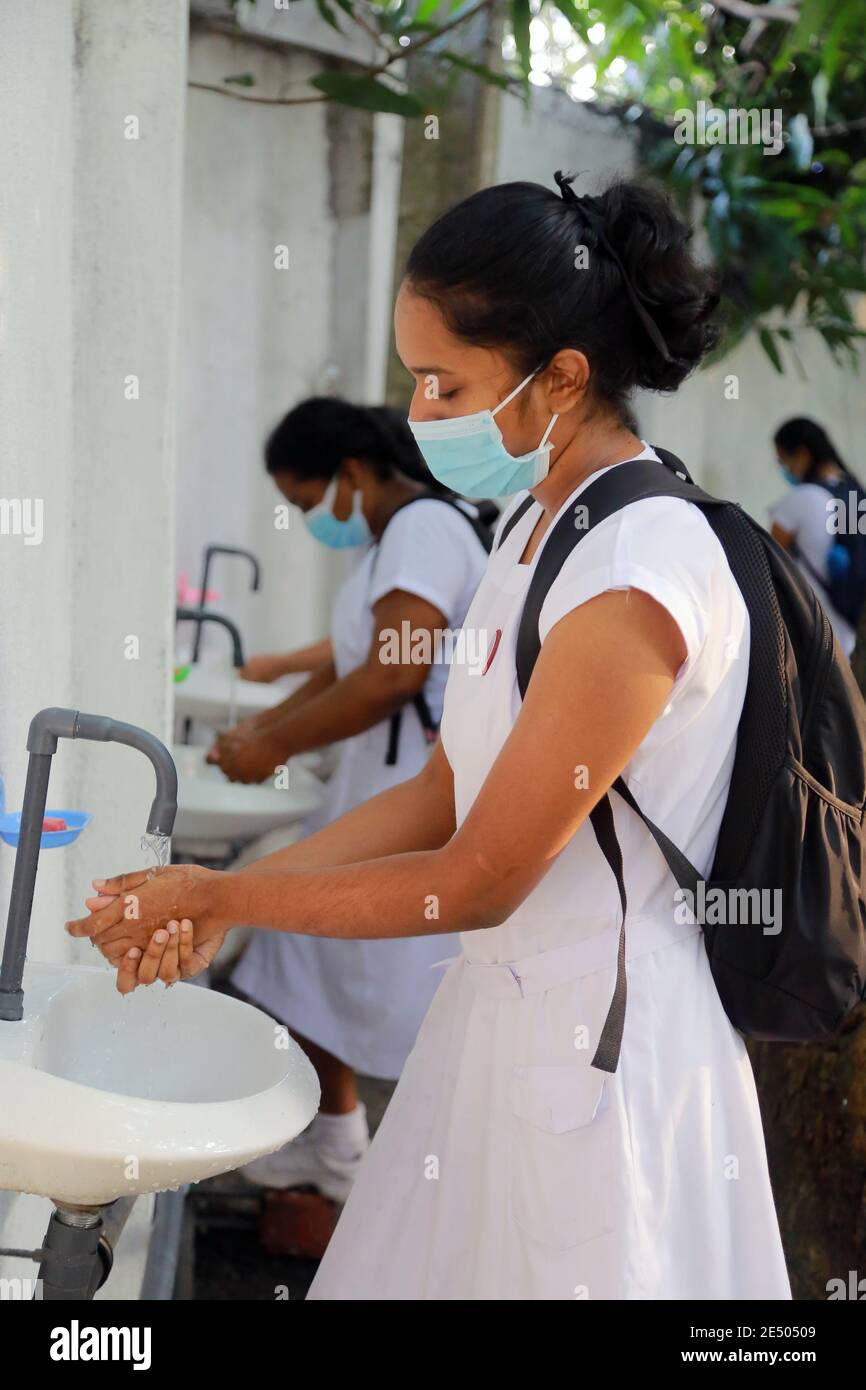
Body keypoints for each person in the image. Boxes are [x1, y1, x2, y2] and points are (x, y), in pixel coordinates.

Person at [69, 174, 791, 1300]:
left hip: (608, 1061)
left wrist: (227, 901)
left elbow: (481, 874)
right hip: (497, 1029)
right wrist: (213, 887)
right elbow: (443, 790)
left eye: (445, 382)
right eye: (413, 379)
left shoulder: (639, 567)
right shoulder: (530, 530)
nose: (419, 413)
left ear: (561, 377)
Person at [212, 398, 490, 1198]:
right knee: (300, 953)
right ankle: (337, 1143)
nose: (310, 522)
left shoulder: (424, 530)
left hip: (414, 789)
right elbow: (352, 662)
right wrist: (265, 724)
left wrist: (275, 743)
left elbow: (394, 673)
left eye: (307, 503)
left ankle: (399, 1171)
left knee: (343, 956)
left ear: (354, 474)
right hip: (385, 776)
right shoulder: (393, 538)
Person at [770, 416, 858, 655]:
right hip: (852, 634)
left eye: (783, 460)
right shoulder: (854, 493)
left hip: (812, 634)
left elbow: (768, 563)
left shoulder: (801, 497)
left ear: (802, 454)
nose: (785, 469)